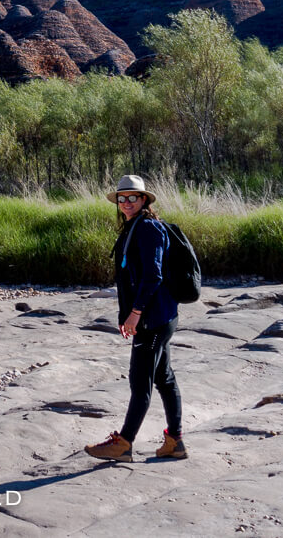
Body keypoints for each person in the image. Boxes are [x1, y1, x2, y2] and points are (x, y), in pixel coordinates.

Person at [84, 174, 187, 462]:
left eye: (133, 197)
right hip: (159, 317)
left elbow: (153, 276)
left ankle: (124, 443)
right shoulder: (134, 227)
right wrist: (125, 314)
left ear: (144, 200)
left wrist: (135, 314)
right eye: (122, 198)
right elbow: (130, 277)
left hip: (153, 319)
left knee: (140, 382)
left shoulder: (148, 229)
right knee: (164, 378)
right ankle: (174, 442)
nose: (126, 202)